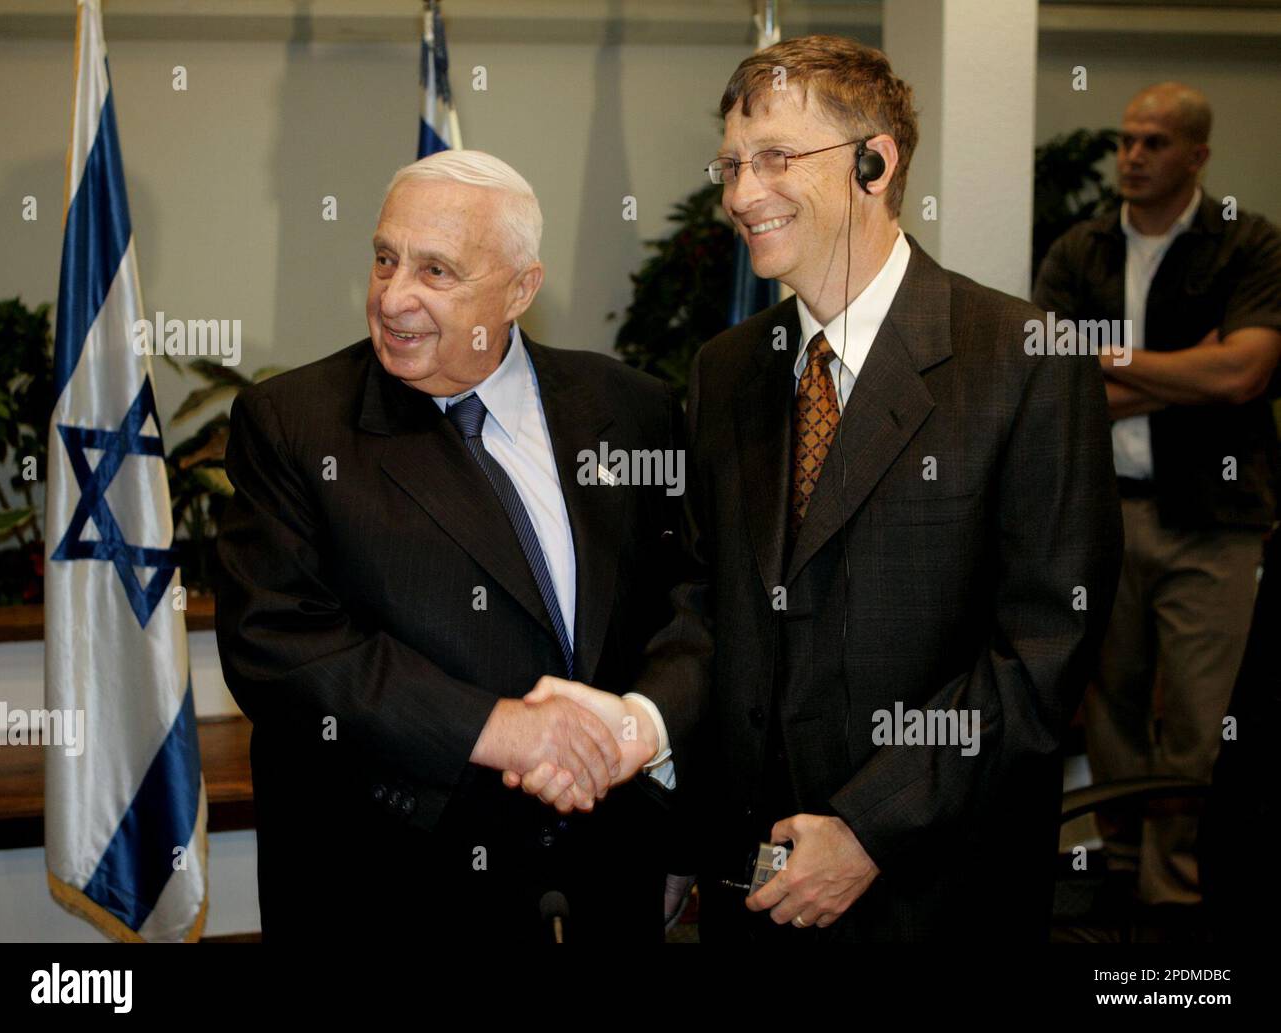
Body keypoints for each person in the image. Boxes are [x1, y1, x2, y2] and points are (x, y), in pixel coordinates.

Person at [509, 35, 1124, 942]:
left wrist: (874, 827)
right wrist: (642, 722)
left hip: (936, 894)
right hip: (753, 892)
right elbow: (707, 602)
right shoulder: (727, 371)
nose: (739, 195)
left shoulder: (1023, 361)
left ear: (875, 163)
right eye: (730, 165)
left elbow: (1041, 653)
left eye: (775, 159)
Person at [215, 150, 682, 943]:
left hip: (609, 880)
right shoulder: (293, 423)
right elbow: (279, 647)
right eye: (385, 258)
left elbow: (685, 612)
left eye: (436, 271)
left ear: (521, 289)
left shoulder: (631, 410)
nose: (394, 297)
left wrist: (674, 822)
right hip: (391, 892)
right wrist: (504, 728)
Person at [1034, 83, 1281, 909]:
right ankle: (1118, 870)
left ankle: (1176, 894)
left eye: (1155, 143)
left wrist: (1113, 364)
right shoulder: (1081, 248)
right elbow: (1053, 384)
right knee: (1110, 708)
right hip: (1100, 515)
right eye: (1127, 140)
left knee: (1203, 719)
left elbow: (1247, 370)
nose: (1133, 157)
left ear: (1198, 155)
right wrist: (1188, 372)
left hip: (1212, 521)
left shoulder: (1245, 244)